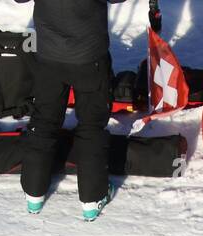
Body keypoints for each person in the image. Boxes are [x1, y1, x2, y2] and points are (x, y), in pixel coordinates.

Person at [16, 0, 125, 221]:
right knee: (91, 124)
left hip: (48, 56)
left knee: (44, 119)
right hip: (89, 57)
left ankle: (34, 193)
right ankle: (92, 198)